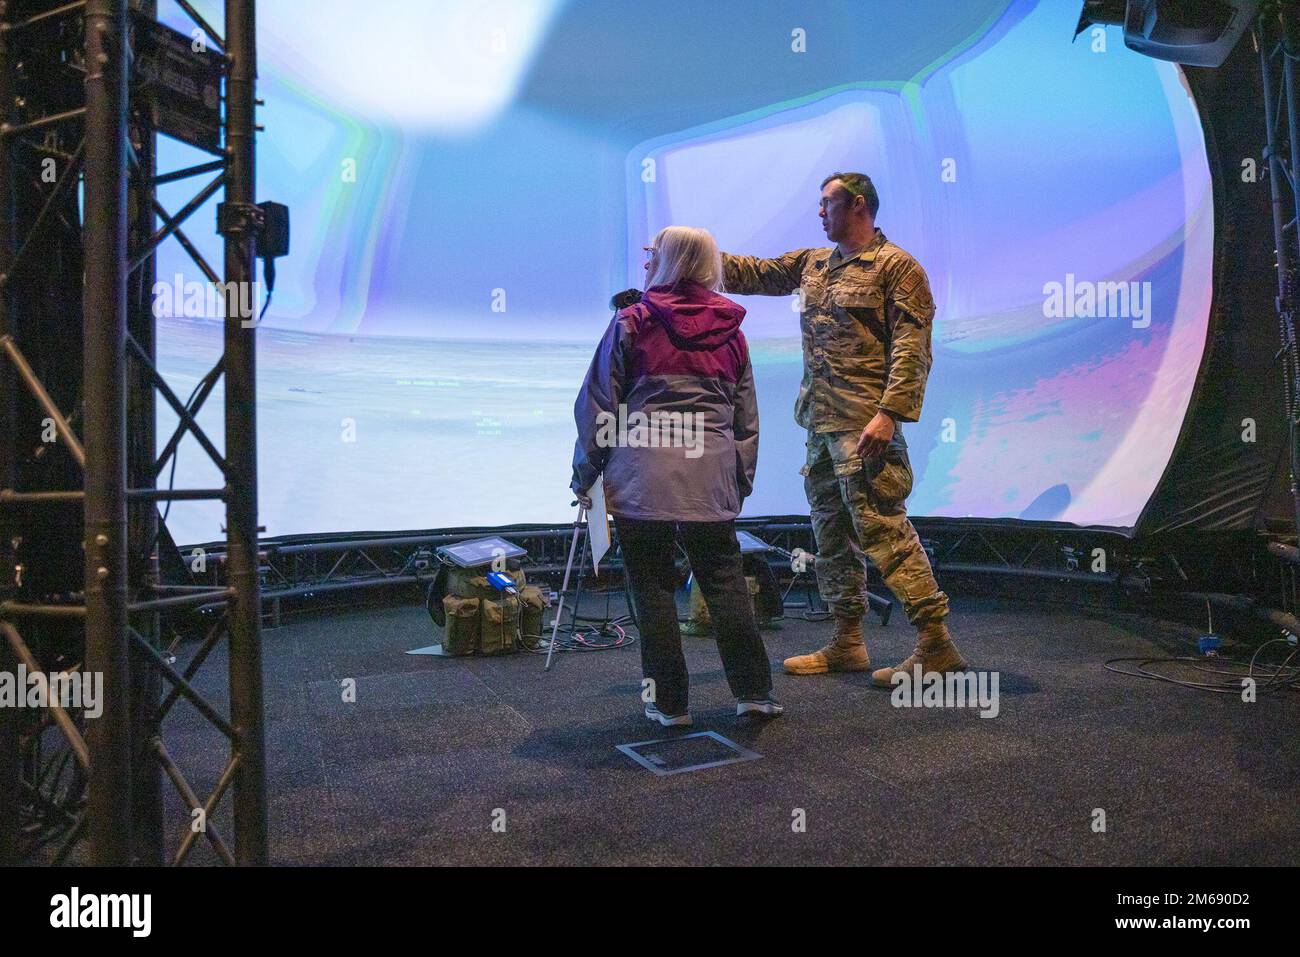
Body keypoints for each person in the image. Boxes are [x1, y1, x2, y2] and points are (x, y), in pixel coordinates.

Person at [721, 172, 967, 687]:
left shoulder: (897, 268)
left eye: (826, 203)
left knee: (884, 530)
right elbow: (756, 272)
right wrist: (689, 252)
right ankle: (848, 641)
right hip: (821, 422)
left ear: (858, 205)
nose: (819, 212)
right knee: (831, 536)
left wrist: (890, 413)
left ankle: (936, 643)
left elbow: (911, 347)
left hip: (865, 425)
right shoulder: (814, 264)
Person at [571, 225, 781, 726]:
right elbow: (745, 419)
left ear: (669, 260)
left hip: (641, 481)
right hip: (710, 480)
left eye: (652, 252)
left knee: (651, 587)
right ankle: (754, 693)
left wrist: (585, 474)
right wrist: (739, 481)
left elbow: (598, 407)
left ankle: (669, 704)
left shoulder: (632, 322)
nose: (645, 260)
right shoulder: (734, 331)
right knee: (726, 583)